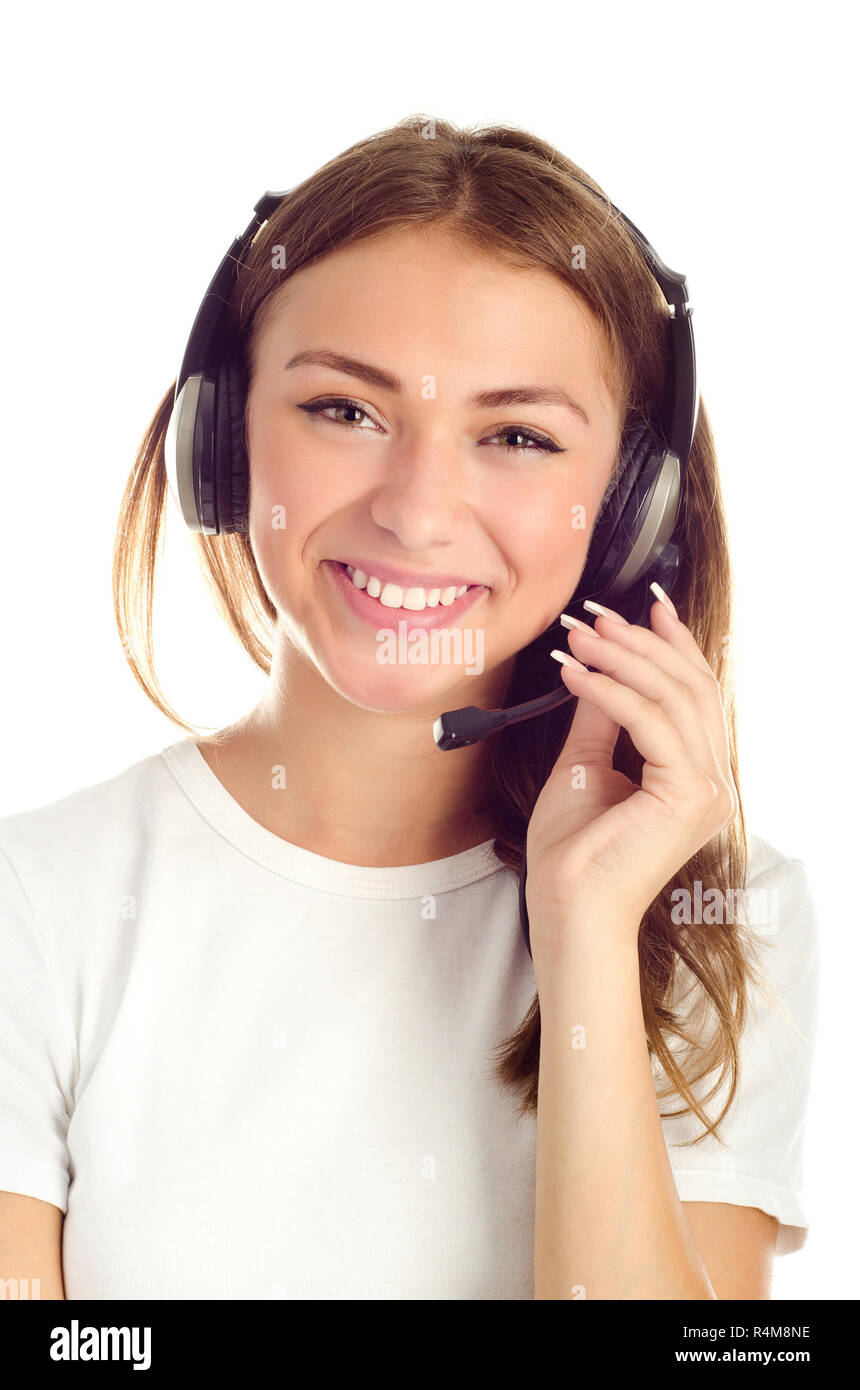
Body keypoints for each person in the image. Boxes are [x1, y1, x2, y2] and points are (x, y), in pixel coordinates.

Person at [0, 116, 819, 1300]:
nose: (419, 511)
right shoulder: (36, 905)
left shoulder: (711, 918)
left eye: (517, 435)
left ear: (631, 507)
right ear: (220, 436)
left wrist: (587, 932)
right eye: (344, 410)